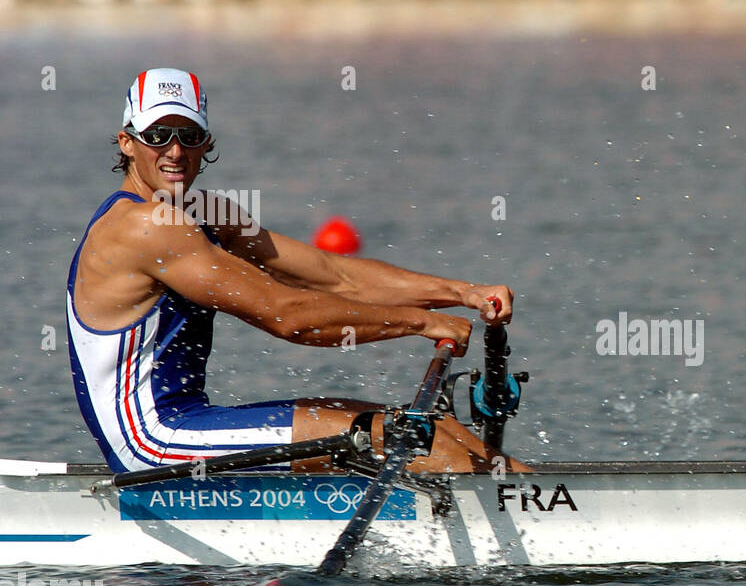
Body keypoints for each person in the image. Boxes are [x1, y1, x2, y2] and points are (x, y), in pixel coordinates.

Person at [68, 68, 522, 474]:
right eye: (157, 135)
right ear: (127, 142)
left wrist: (462, 293)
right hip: (154, 442)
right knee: (403, 439)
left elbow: (333, 275)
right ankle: (537, 514)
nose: (174, 151)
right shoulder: (144, 225)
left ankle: (534, 498)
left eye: (189, 136)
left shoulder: (203, 211)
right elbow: (288, 315)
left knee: (435, 430)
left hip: (191, 422)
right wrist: (422, 323)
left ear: (206, 143)